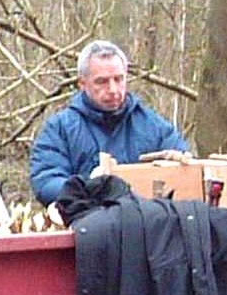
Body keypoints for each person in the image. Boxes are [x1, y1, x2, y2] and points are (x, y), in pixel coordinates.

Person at [30, 40, 191, 206]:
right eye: (102, 82)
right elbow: (46, 182)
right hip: (87, 225)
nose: (113, 89)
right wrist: (89, 188)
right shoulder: (60, 129)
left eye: (118, 79)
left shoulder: (153, 126)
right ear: (82, 84)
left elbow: (184, 171)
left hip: (147, 225)